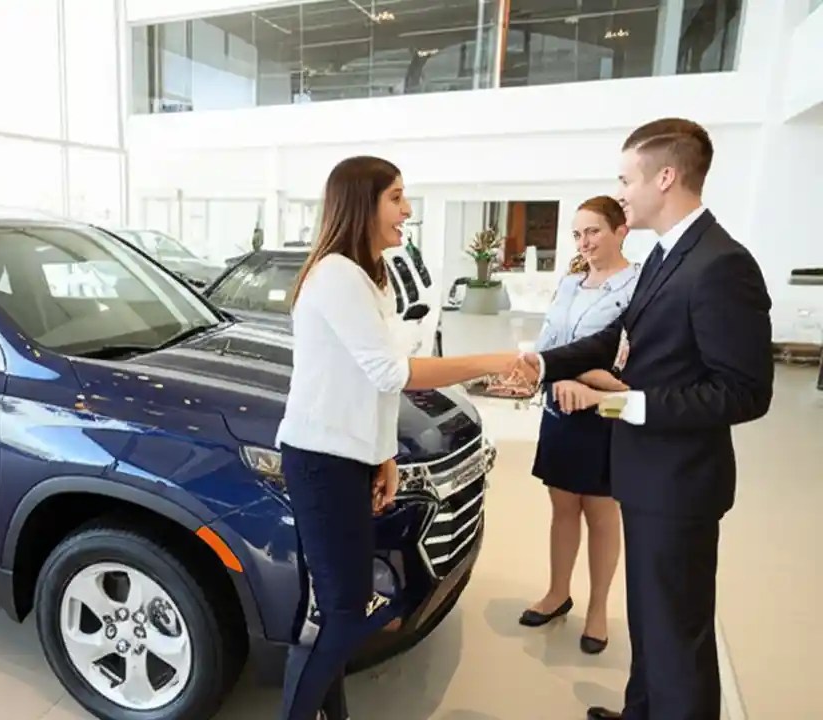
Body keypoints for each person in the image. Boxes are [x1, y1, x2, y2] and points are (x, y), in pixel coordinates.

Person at [518, 118, 774, 720]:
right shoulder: (667, 256)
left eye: (626, 179)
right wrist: (542, 364)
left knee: (677, 632)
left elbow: (745, 392)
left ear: (665, 175)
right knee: (652, 620)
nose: (622, 191)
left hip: (680, 481)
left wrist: (627, 404)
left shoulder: (720, 264)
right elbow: (618, 338)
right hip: (649, 473)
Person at [275, 155, 537, 720]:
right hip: (321, 462)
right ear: (361, 203)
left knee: (336, 613)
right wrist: (496, 360)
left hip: (347, 458)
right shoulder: (337, 276)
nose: (407, 210)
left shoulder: (370, 274)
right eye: (396, 198)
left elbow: (376, 380)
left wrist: (385, 455)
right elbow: (393, 373)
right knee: (343, 616)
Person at [520, 196, 639, 655]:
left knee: (603, 514)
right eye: (577, 234)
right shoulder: (570, 284)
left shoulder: (637, 286)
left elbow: (621, 364)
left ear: (620, 230)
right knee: (563, 506)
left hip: (606, 413)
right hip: (560, 411)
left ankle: (598, 610)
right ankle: (557, 593)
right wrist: (542, 371)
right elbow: (550, 343)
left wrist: (569, 371)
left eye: (593, 231)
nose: (584, 242)